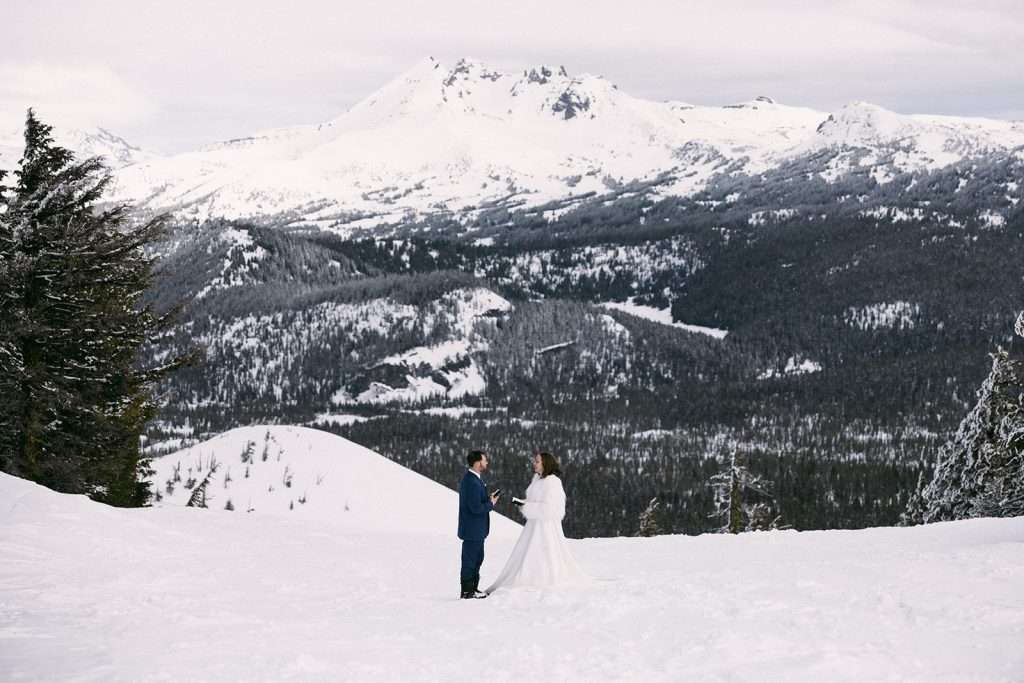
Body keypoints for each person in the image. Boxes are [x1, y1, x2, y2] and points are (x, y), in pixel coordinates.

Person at [486, 451, 589, 593]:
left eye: (537, 461)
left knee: (546, 554)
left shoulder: (553, 482)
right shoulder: (537, 480)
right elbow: (536, 502)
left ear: (545, 463)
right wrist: (524, 504)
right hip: (534, 525)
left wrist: (528, 507)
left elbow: (552, 508)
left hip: (546, 527)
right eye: (535, 461)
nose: (534, 463)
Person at [458, 450, 500, 599]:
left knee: (477, 559)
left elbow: (476, 502)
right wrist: (491, 503)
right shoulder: (471, 481)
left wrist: (487, 499)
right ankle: (467, 592)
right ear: (477, 462)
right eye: (484, 460)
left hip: (477, 530)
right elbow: (475, 508)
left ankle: (473, 589)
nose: (486, 462)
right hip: (472, 530)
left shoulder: (475, 480)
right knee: (470, 561)